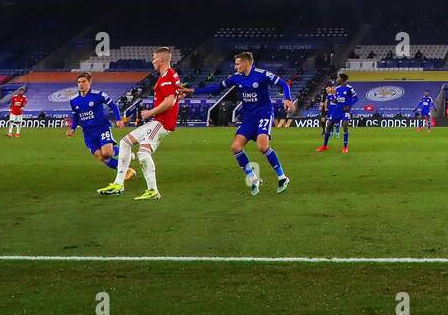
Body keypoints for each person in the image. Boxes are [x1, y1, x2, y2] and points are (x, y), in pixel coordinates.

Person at [189, 52, 294, 195]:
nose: (236, 66)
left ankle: (282, 178)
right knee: (235, 147)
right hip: (248, 118)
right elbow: (217, 87)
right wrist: (193, 90)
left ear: (246, 63)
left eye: (238, 63)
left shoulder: (262, 74)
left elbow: (283, 84)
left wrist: (287, 99)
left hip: (264, 115)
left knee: (262, 146)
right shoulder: (236, 78)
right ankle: (253, 178)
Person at [98, 47, 180, 200]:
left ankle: (153, 191)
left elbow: (169, 101)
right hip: (157, 121)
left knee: (143, 153)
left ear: (161, 60)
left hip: (162, 123)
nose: (152, 60)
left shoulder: (167, 76)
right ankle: (118, 184)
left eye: (154, 57)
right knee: (125, 142)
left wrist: (150, 112)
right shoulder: (169, 75)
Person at [68, 72, 134, 182]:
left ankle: (125, 154)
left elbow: (113, 105)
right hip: (88, 133)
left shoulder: (99, 95)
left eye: (84, 81)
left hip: (102, 128)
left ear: (90, 82)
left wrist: (118, 119)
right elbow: (76, 116)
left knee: (107, 153)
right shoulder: (73, 100)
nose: (81, 84)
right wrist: (73, 128)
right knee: (101, 156)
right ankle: (126, 169)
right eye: (79, 82)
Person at [318, 72, 358, 153]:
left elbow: (356, 98)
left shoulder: (349, 88)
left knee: (345, 125)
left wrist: (349, 106)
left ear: (342, 79)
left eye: (338, 78)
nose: (337, 79)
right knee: (328, 126)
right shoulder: (337, 88)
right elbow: (334, 100)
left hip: (344, 111)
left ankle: (345, 147)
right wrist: (330, 95)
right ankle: (325, 146)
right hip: (336, 110)